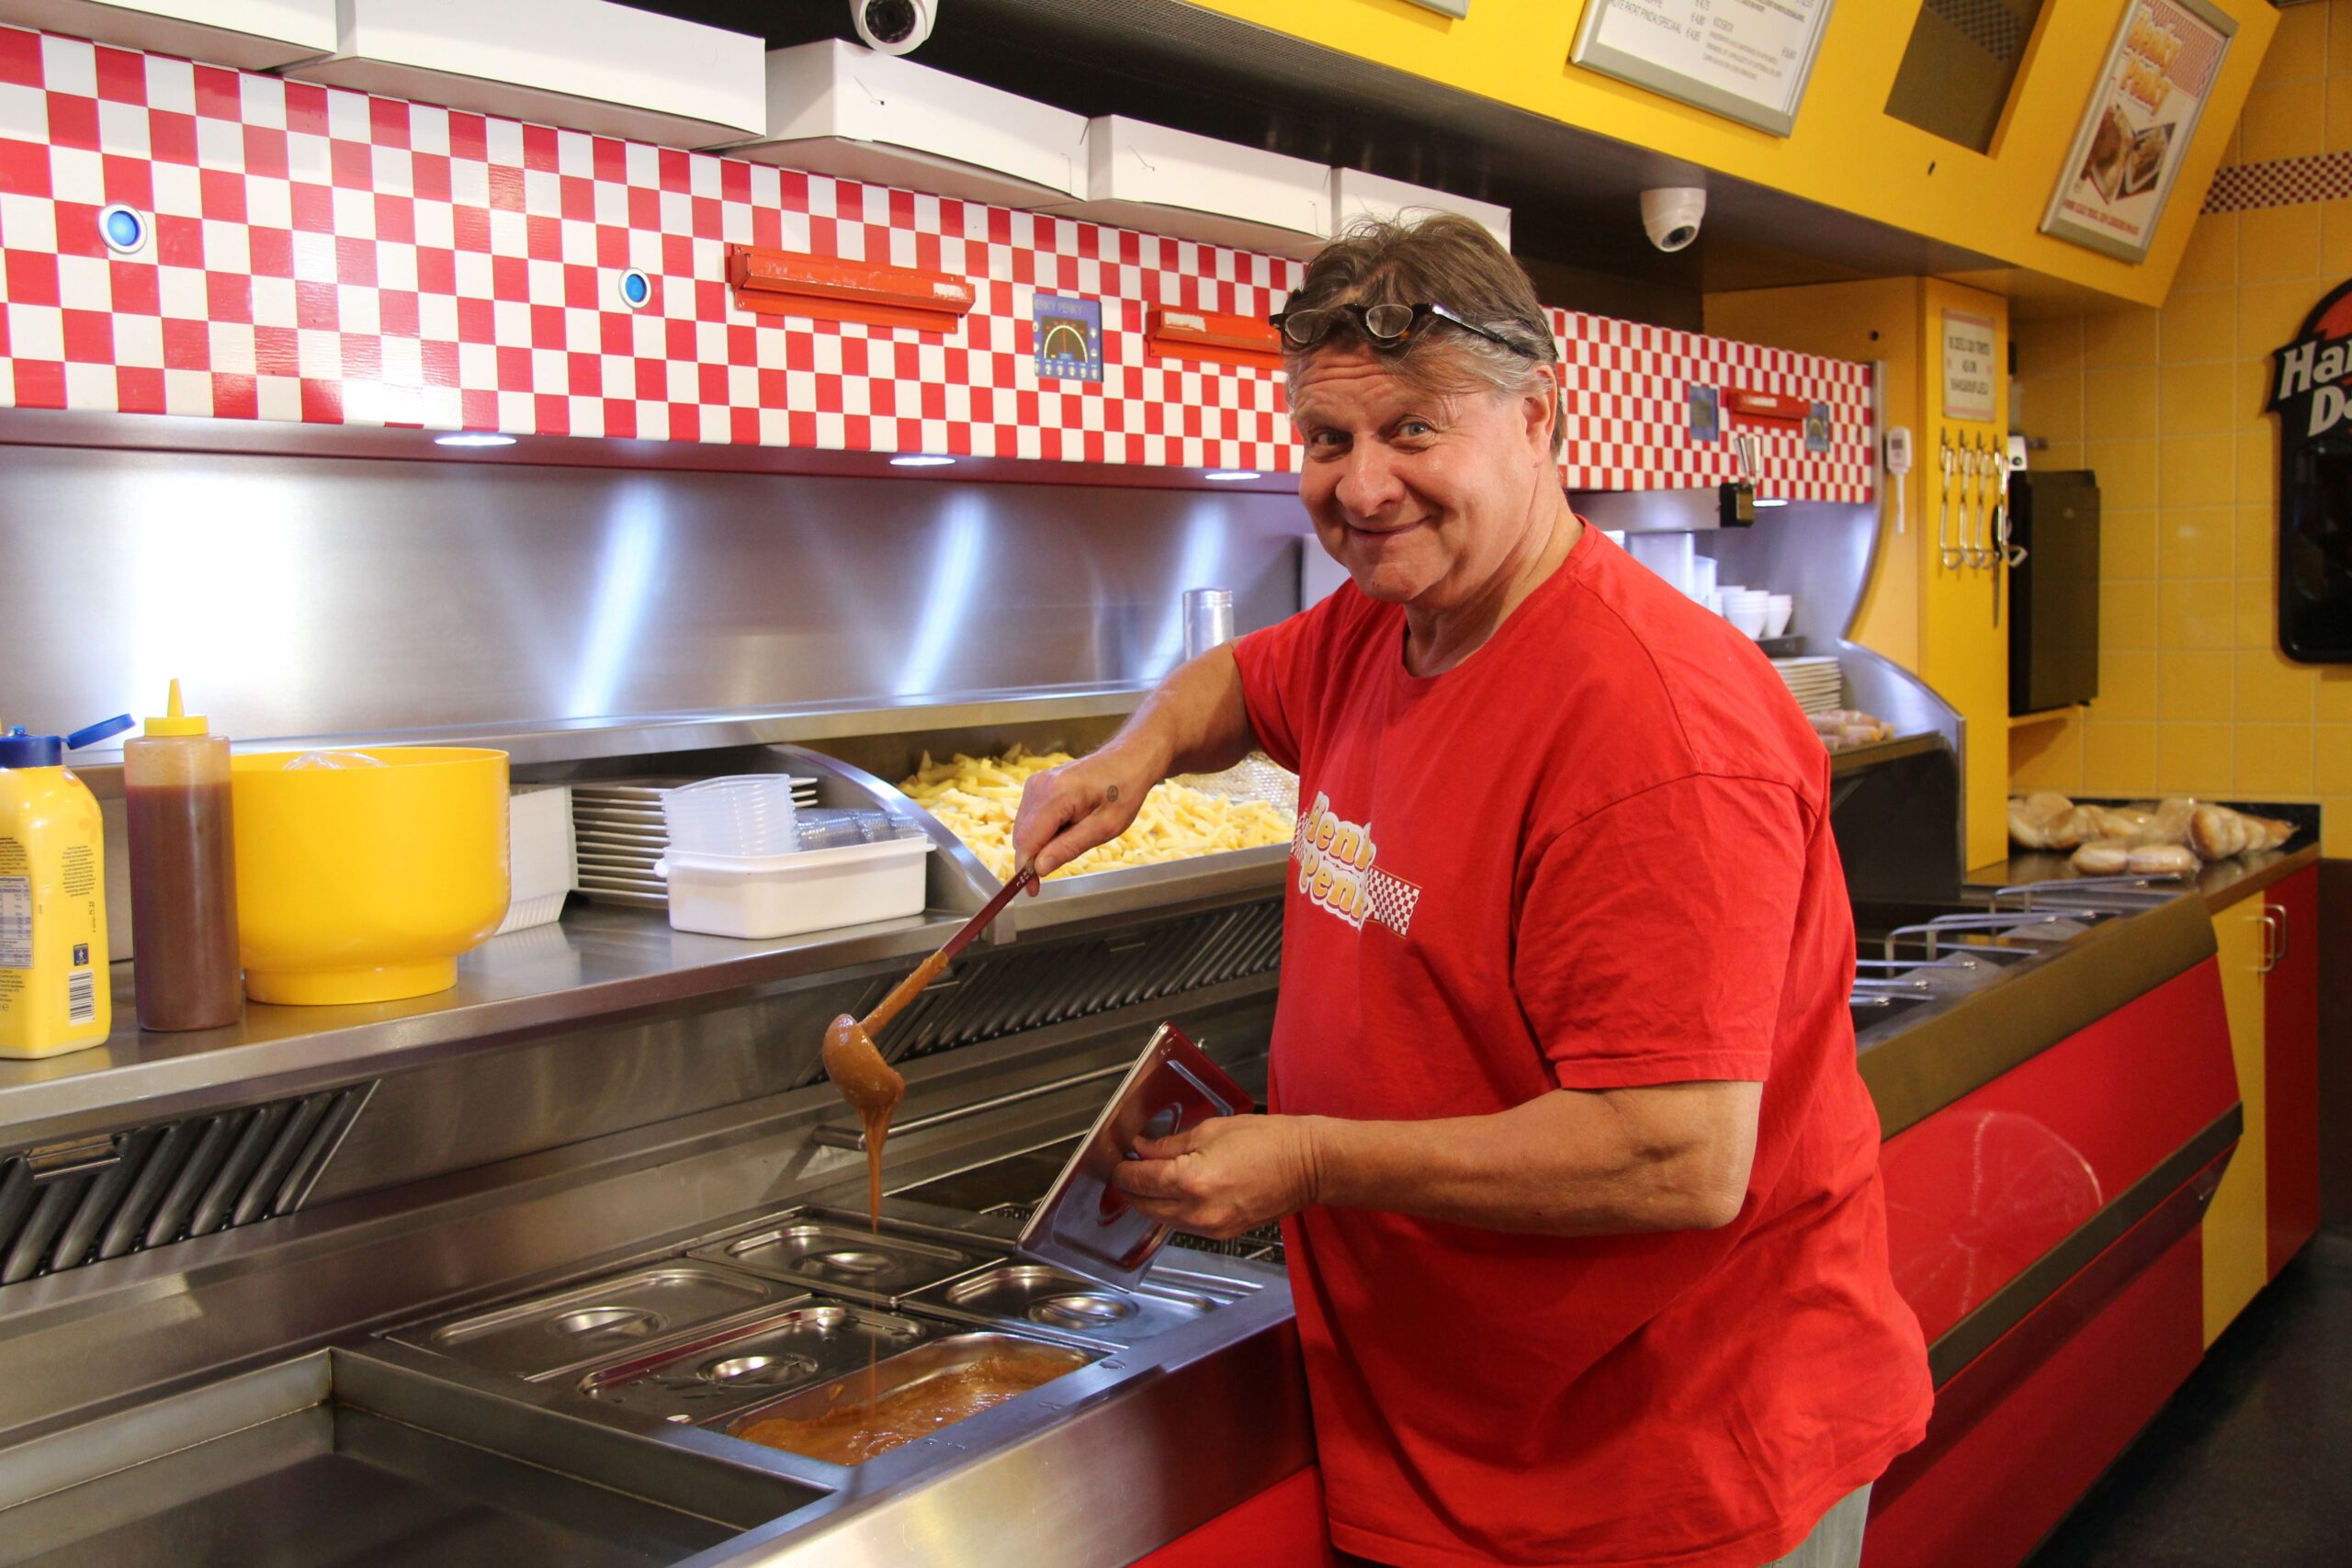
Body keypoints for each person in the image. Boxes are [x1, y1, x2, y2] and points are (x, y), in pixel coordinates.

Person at [1012, 216, 1931, 1568]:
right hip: (1462, 1424)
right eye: (1328, 440)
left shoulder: (1650, 732)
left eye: (1413, 431)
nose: (1363, 487)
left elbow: (1675, 1156)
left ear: (1538, 421)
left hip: (1654, 1459)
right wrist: (1132, 753)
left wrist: (1312, 1158)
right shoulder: (1395, 617)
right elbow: (1242, 680)